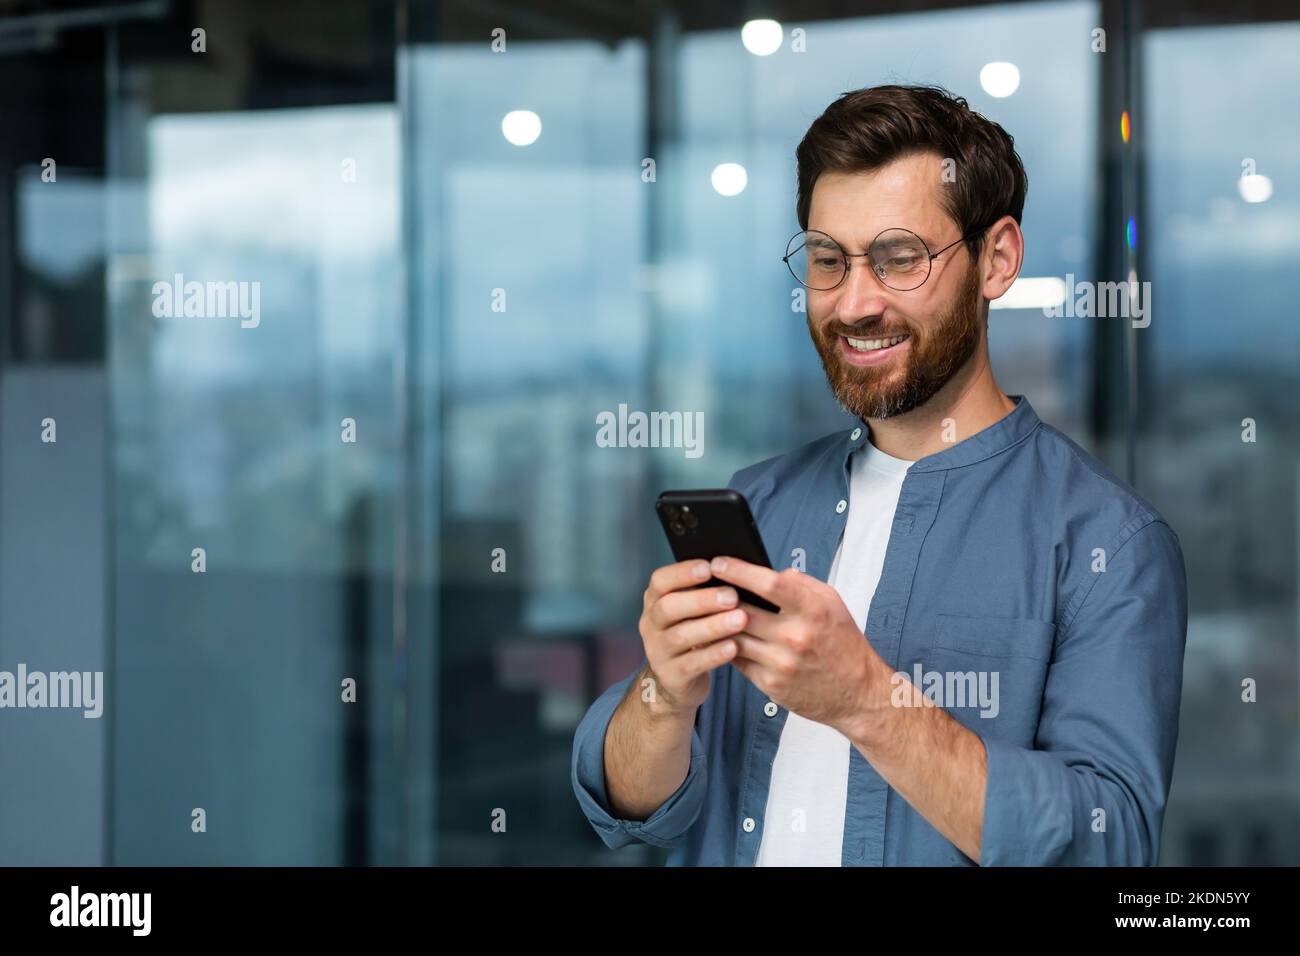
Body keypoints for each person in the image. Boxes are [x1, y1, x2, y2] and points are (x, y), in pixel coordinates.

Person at [571, 84, 1187, 866]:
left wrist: (867, 701)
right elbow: (627, 812)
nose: (855, 304)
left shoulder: (1110, 544)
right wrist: (665, 693)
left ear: (997, 260)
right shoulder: (759, 500)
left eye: (899, 260)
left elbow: (1111, 843)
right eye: (829, 261)